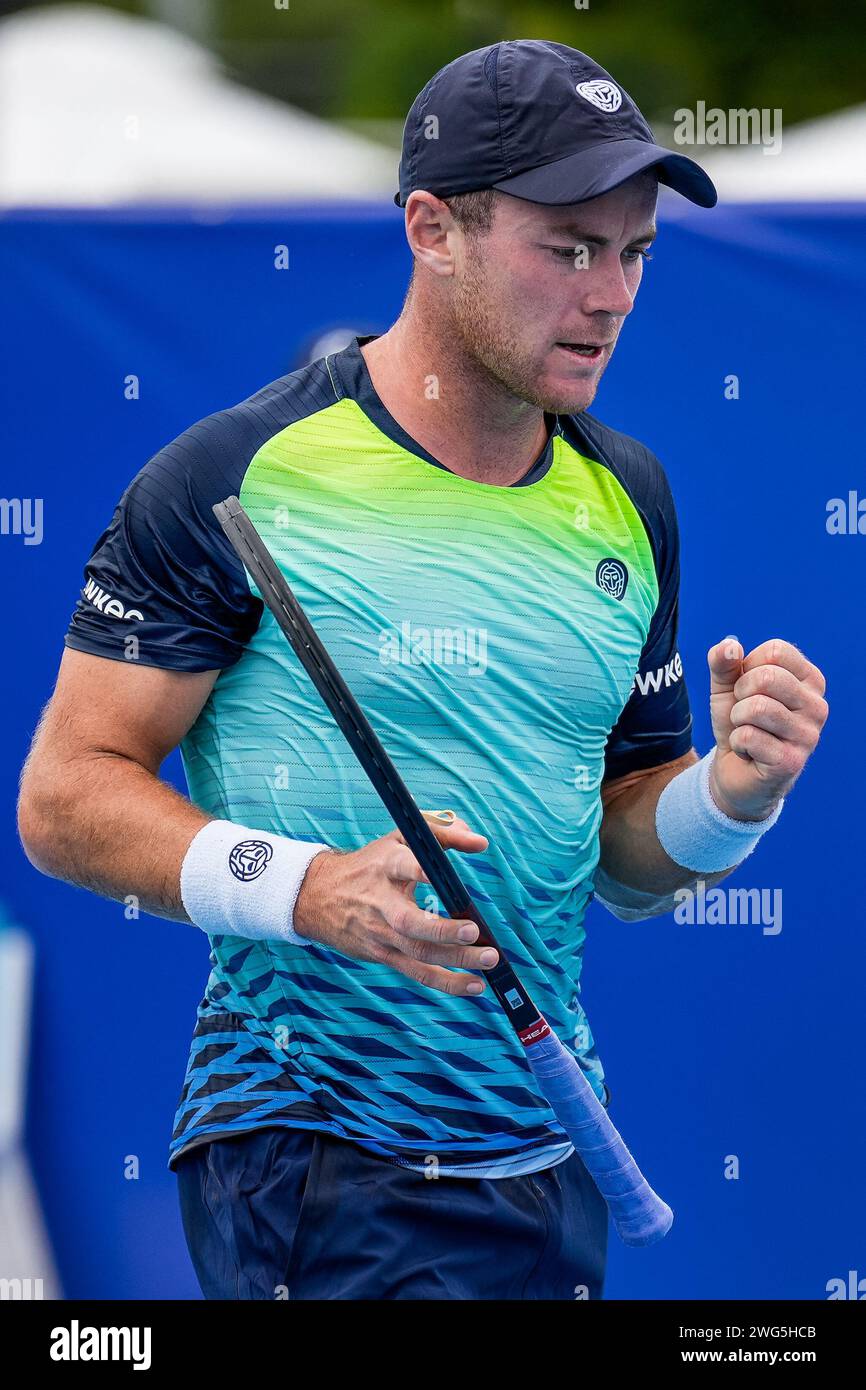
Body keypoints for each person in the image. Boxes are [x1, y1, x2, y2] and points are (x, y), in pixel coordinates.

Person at [17, 40, 827, 1300]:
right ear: (431, 227)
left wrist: (729, 796)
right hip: (312, 1146)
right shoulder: (239, 473)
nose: (609, 293)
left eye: (633, 252)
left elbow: (623, 863)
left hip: (549, 1160)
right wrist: (307, 888)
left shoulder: (629, 498)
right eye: (567, 247)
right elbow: (65, 796)